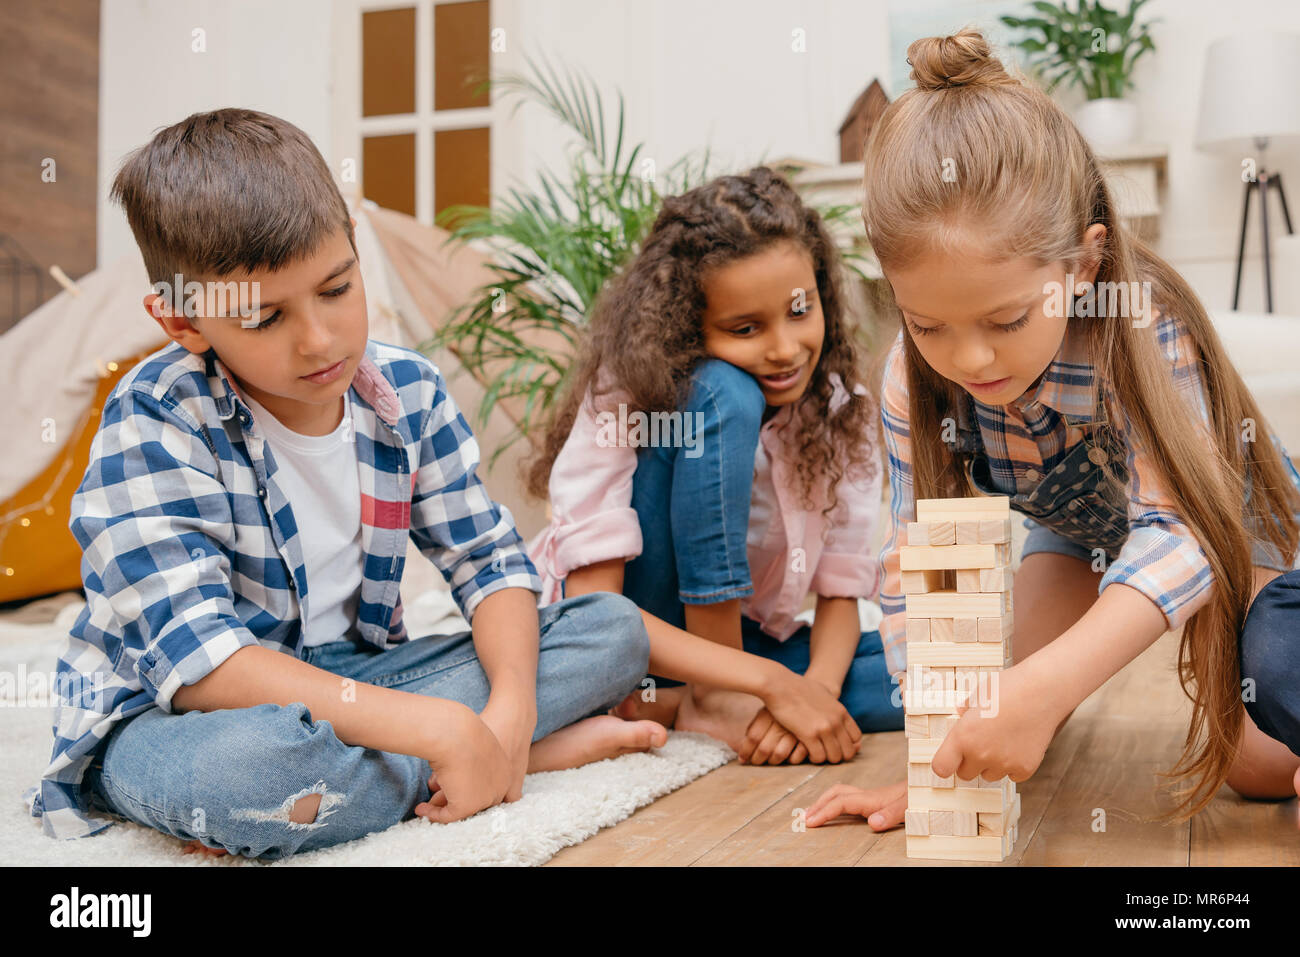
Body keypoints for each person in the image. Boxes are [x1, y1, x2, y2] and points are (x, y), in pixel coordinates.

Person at [23, 108, 665, 859]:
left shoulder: (407, 390)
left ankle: (496, 750)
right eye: (265, 317)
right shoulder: (153, 421)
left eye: (336, 288)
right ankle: (472, 756)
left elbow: (489, 564)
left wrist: (513, 709)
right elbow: (202, 665)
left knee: (611, 629)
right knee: (255, 775)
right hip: (182, 711)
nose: (320, 339)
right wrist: (437, 725)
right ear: (184, 324)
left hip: (356, 678)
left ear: (355, 250)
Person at [807, 28, 1300, 833]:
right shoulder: (910, 376)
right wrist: (937, 766)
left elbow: (1182, 535)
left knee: (1260, 766)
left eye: (1005, 319)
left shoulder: (1140, 325)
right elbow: (911, 580)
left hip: (1228, 529)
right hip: (1079, 535)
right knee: (1007, 700)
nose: (969, 359)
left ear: (1082, 264)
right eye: (928, 323)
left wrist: (1049, 684)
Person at [528, 167, 902, 766]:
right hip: (621, 637)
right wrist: (747, 686)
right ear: (686, 327)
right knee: (725, 392)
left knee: (932, 677)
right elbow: (596, 615)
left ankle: (687, 703)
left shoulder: (841, 411)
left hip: (748, 645)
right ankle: (704, 696)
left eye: (799, 311)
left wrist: (813, 698)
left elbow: (840, 594)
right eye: (745, 328)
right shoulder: (628, 394)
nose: (784, 348)